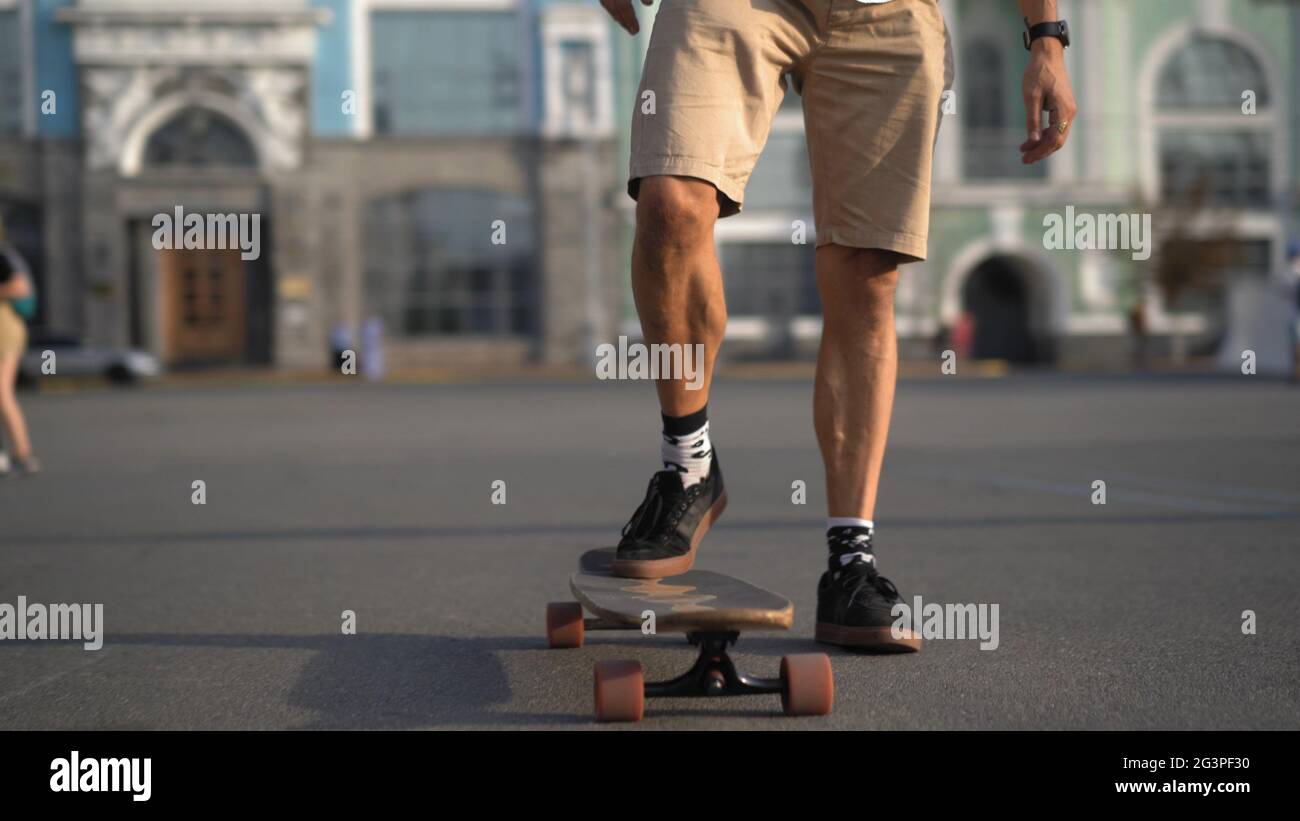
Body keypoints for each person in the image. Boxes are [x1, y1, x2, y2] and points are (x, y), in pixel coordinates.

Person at [602, 0, 1076, 649]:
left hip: (887, 15)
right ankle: (688, 465)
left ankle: (851, 559)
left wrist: (1047, 37)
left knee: (865, 281)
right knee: (670, 206)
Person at [0, 217, 39, 476]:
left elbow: (21, 287)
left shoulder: (3, 255)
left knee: (2, 392)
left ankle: (23, 455)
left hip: (4, 328)